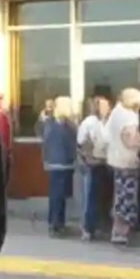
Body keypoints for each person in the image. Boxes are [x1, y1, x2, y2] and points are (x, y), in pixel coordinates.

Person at [106, 87, 140, 244]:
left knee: (119, 196)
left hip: (115, 159)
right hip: (128, 161)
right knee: (127, 197)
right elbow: (129, 139)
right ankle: (123, 231)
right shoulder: (129, 116)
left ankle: (116, 229)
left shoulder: (116, 112)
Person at [76, 96, 111, 241]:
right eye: (103, 106)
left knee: (100, 197)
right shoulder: (89, 122)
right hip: (91, 164)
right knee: (89, 196)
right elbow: (80, 141)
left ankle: (97, 226)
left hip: (103, 163)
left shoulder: (106, 123)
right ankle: (87, 227)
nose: (107, 109)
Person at [41, 96, 77, 237]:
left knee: (56, 195)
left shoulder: (50, 123)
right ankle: (57, 224)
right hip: (62, 163)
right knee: (59, 196)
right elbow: (71, 144)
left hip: (54, 163)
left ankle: (55, 223)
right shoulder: (66, 126)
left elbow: (45, 143)